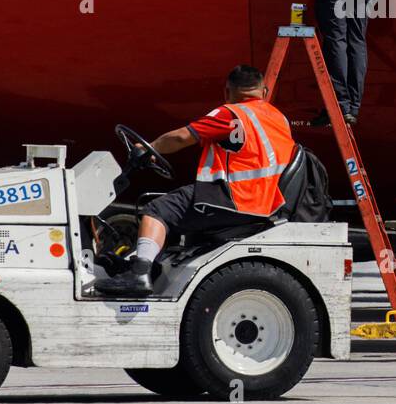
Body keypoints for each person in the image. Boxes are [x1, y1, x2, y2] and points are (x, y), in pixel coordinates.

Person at [98, 65, 295, 296]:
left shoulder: (230, 114)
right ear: (264, 91)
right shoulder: (278, 117)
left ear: (227, 92)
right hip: (271, 201)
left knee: (157, 209)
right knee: (180, 206)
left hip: (237, 198)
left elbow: (182, 137)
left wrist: (149, 148)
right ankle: (150, 265)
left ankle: (139, 273)